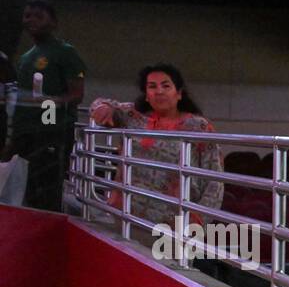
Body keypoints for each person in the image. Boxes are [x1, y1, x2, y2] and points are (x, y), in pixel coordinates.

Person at [88, 63, 223, 228]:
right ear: (146, 95)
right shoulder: (133, 117)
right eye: (152, 86)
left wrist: (198, 220)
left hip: (172, 225)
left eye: (166, 85)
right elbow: (100, 104)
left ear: (179, 93)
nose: (159, 91)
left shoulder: (198, 127)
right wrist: (103, 108)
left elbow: (215, 180)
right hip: (124, 216)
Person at [0, 0, 85, 212]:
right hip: (24, 135)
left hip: (52, 130)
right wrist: (13, 141)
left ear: (53, 22)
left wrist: (48, 102)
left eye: (39, 15)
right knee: (22, 193)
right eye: (27, 15)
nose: (31, 20)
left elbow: (76, 94)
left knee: (47, 193)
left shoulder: (65, 52)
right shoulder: (26, 58)